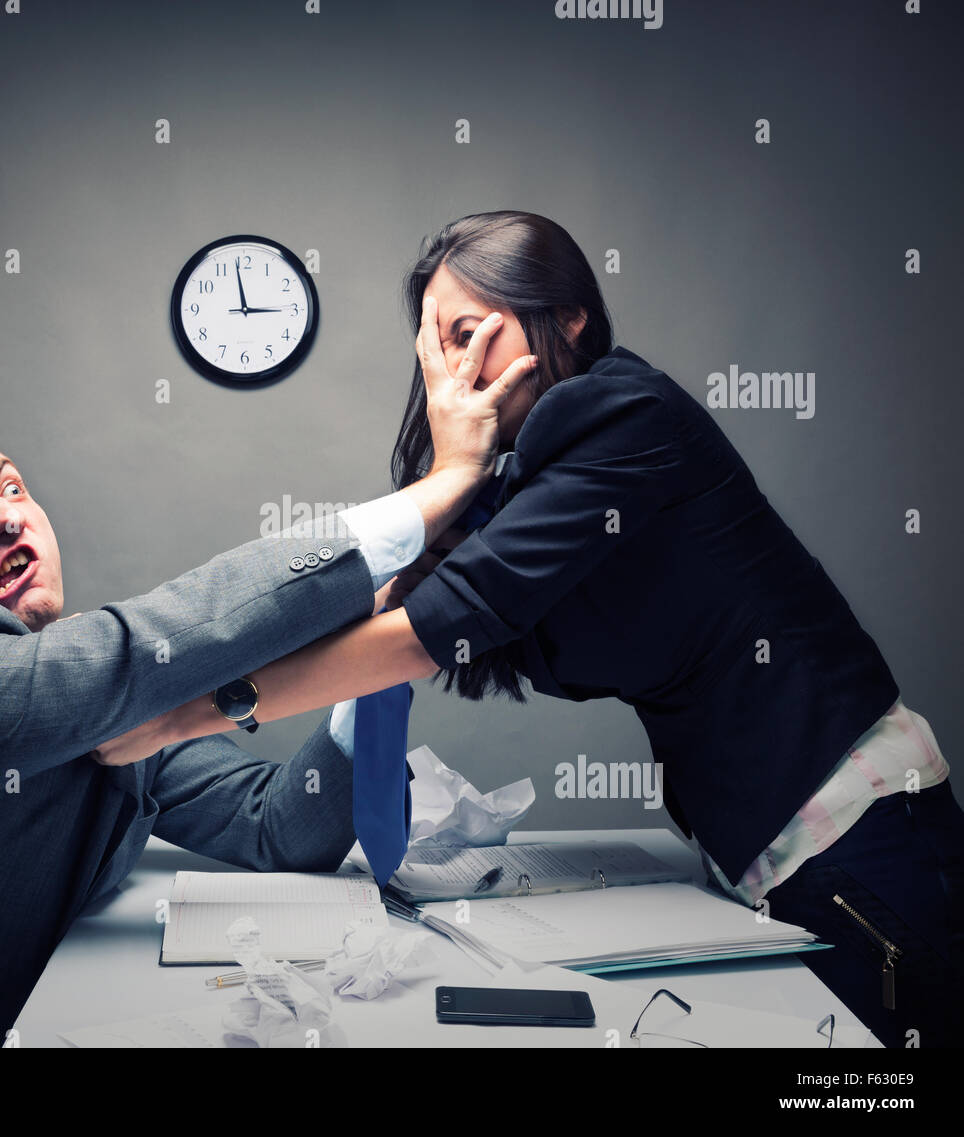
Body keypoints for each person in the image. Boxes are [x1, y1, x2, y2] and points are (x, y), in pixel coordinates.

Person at [96, 210, 964, 1049]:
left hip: (852, 812)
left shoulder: (622, 412)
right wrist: (450, 473)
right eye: (438, 345)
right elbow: (392, 601)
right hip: (754, 837)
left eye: (473, 333)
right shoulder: (520, 478)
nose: (456, 368)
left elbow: (428, 628)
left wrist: (184, 717)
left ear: (570, 318)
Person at [0, 382, 524, 1046]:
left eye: (10, 486)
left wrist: (380, 643)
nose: (9, 516)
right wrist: (436, 491)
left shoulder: (98, 710)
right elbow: (129, 654)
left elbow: (280, 828)